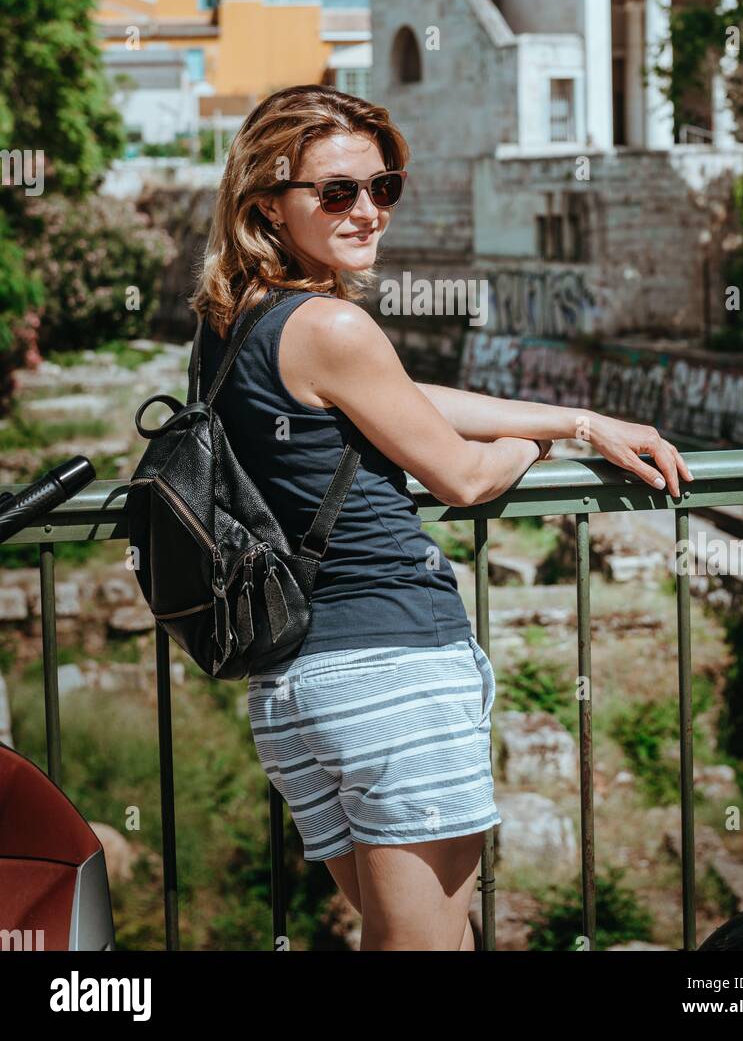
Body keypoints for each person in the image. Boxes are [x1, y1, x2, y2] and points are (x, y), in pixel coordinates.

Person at [190, 83, 692, 951]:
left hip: (293, 689)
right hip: (390, 670)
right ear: (267, 204)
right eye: (335, 192)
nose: (366, 213)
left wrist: (572, 417)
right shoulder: (332, 324)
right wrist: (542, 450)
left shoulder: (233, 323)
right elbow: (460, 477)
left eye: (381, 188)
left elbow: (401, 400)